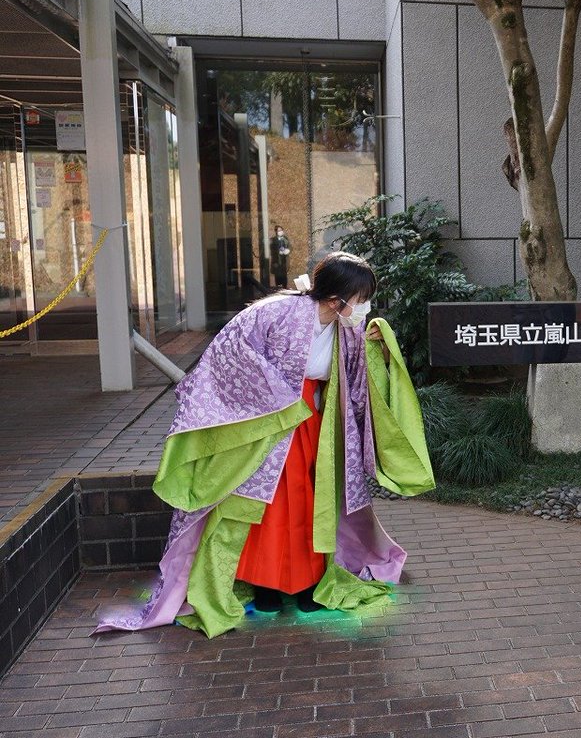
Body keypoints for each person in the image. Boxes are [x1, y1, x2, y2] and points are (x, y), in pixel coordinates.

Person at [95, 252, 434, 637]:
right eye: (359, 299)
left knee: (311, 501)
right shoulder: (274, 312)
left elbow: (355, 382)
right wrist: (276, 400)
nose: (363, 307)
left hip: (313, 424)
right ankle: (267, 585)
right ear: (337, 298)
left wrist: (378, 348)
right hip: (265, 427)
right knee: (266, 507)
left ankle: (309, 583)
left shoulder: (348, 329)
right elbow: (229, 354)